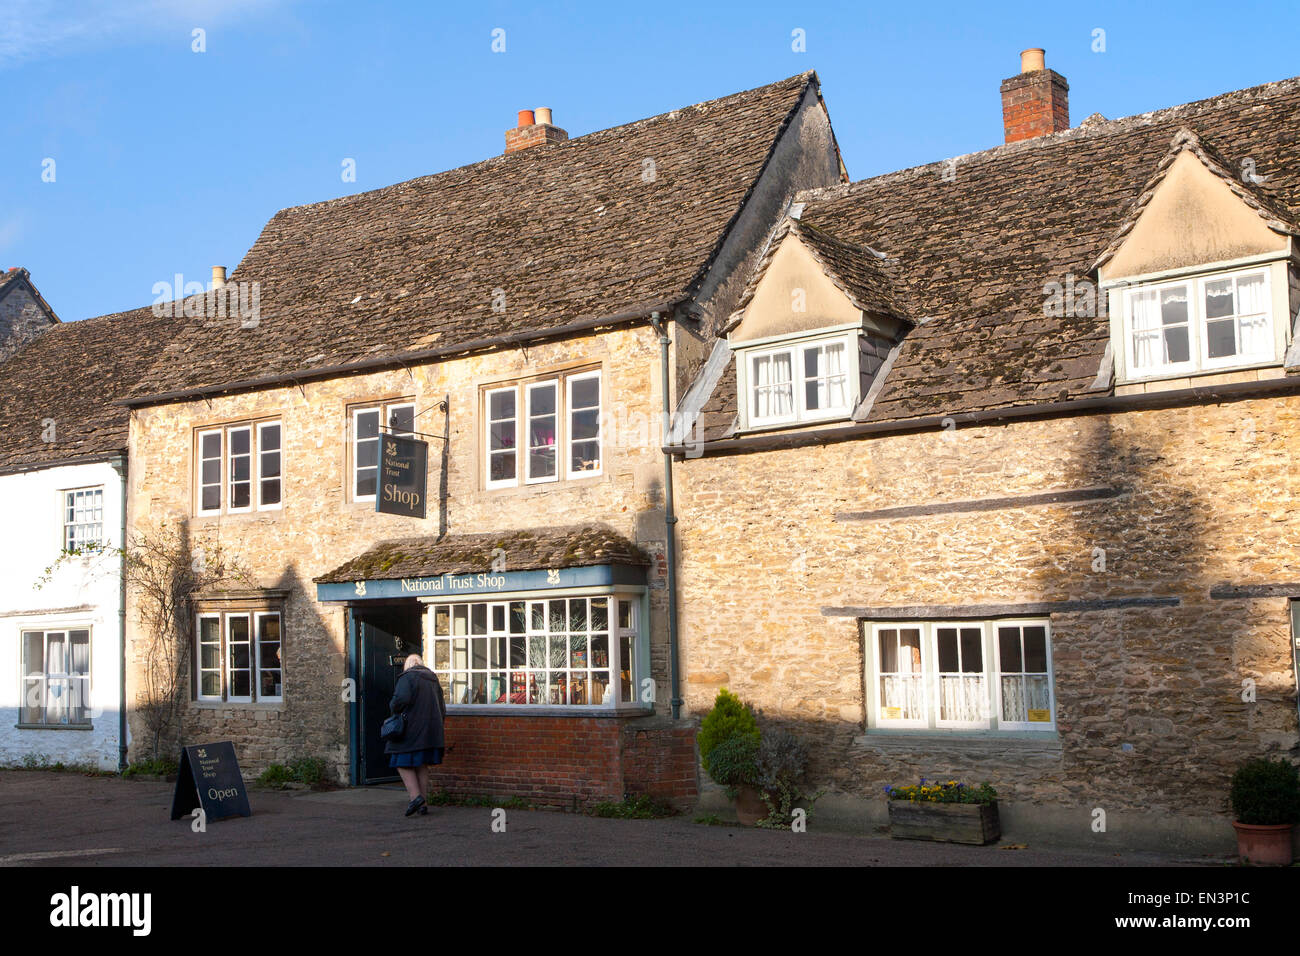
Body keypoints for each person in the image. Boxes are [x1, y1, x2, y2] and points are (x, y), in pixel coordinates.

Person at [386, 653, 446, 817]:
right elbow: (442, 706)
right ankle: (423, 804)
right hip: (431, 729)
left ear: (408, 665)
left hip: (411, 729)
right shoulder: (432, 679)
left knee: (400, 760)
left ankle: (415, 797)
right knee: (421, 764)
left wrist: (392, 706)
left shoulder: (408, 677)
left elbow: (400, 701)